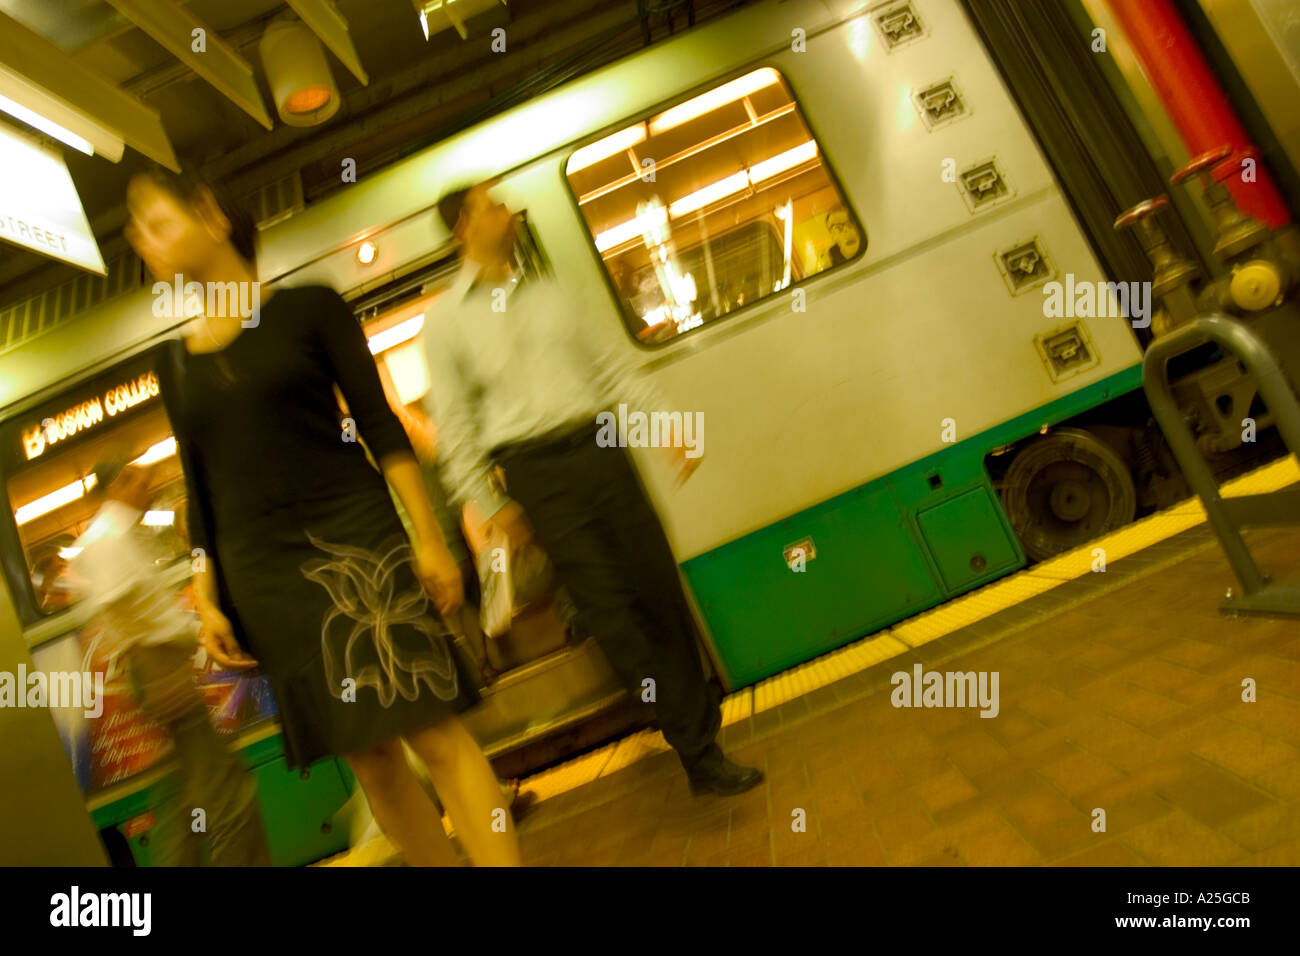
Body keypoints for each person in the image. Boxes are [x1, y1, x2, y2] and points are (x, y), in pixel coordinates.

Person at [126, 167, 520, 867]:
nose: (144, 242)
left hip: (357, 543)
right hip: (262, 580)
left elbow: (380, 426)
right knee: (369, 758)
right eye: (138, 233)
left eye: (158, 223)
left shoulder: (309, 308)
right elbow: (200, 485)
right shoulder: (173, 363)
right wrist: (207, 595)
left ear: (213, 214)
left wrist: (428, 538)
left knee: (431, 731)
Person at [421, 180, 763, 797]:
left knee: (657, 587)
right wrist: (496, 506)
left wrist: (666, 425)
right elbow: (457, 427)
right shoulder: (445, 323)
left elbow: (611, 368)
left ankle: (698, 736)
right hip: (536, 475)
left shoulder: (553, 293)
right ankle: (693, 740)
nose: (506, 210)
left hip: (602, 449)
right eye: (492, 205)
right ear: (463, 228)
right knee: (613, 614)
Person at [65, 453, 271, 866]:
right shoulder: (107, 535)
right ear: (121, 482)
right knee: (226, 790)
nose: (151, 491)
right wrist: (159, 667)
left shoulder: (114, 533)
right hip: (159, 667)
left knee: (183, 793)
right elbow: (119, 603)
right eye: (144, 483)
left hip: (159, 668)